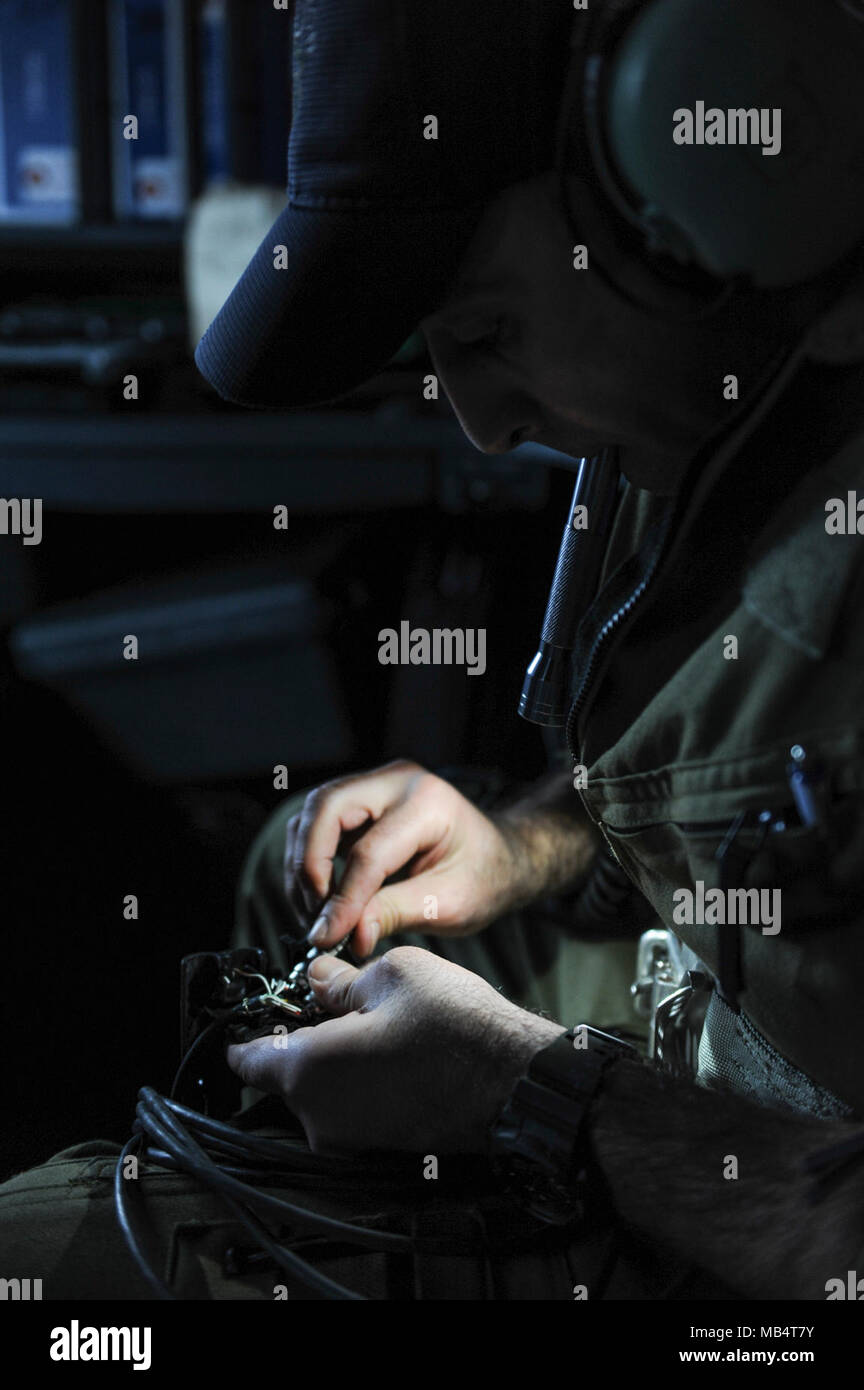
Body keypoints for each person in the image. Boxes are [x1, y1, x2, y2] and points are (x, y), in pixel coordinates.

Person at [3, 0, 864, 1301]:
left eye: (487, 331)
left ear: (732, 163)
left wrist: (539, 1093)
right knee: (287, 893)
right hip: (706, 1039)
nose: (479, 424)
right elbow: (727, 767)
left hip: (766, 1215)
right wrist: (520, 843)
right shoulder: (724, 379)